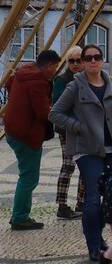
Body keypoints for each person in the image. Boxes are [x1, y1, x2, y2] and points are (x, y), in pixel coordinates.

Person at [49, 44, 112, 261]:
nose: (93, 61)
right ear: (83, 62)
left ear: (102, 60)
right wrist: (79, 126)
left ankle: (99, 237)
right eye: (88, 58)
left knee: (110, 198)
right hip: (87, 150)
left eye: (97, 57)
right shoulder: (75, 87)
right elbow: (55, 113)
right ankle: (94, 245)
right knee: (93, 198)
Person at [3, 49, 61, 229]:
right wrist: (63, 116)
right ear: (49, 65)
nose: (55, 71)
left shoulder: (24, 73)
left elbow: (9, 85)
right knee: (29, 177)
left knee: (25, 175)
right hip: (27, 134)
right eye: (55, 67)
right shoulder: (38, 81)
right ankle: (20, 217)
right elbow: (43, 112)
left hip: (13, 130)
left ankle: (19, 214)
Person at [52, 47, 84, 219]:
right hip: (67, 130)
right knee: (68, 165)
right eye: (72, 61)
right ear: (67, 62)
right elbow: (57, 105)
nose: (76, 64)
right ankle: (62, 205)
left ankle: (81, 202)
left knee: (85, 165)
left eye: (79, 60)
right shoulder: (62, 80)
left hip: (85, 130)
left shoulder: (87, 78)